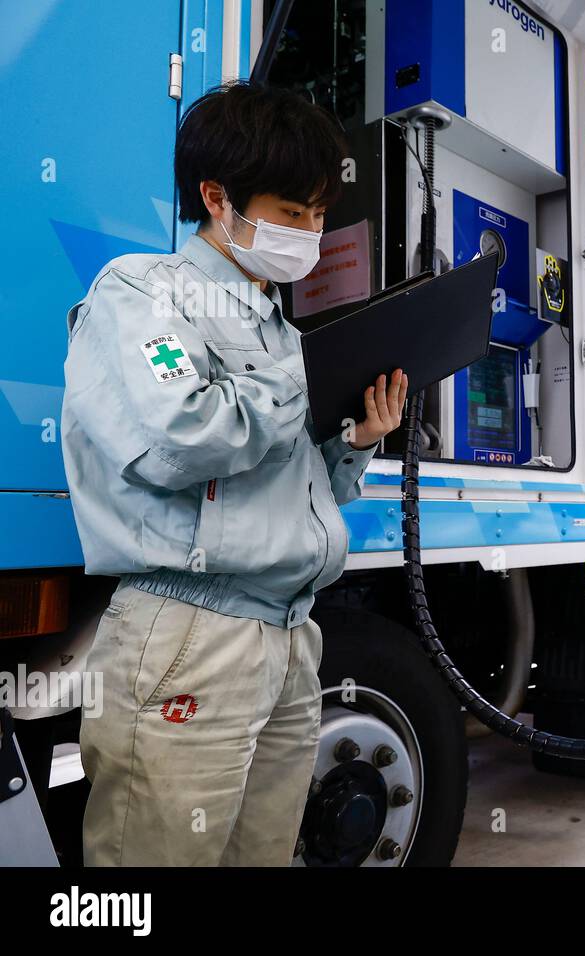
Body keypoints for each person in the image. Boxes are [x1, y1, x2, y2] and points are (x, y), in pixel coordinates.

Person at [61, 82, 408, 866]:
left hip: (289, 636)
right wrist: (300, 381)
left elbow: (296, 485)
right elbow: (183, 435)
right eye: (293, 213)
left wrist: (356, 438)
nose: (310, 236)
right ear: (217, 198)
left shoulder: (278, 324)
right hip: (191, 631)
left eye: (320, 216)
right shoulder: (141, 294)